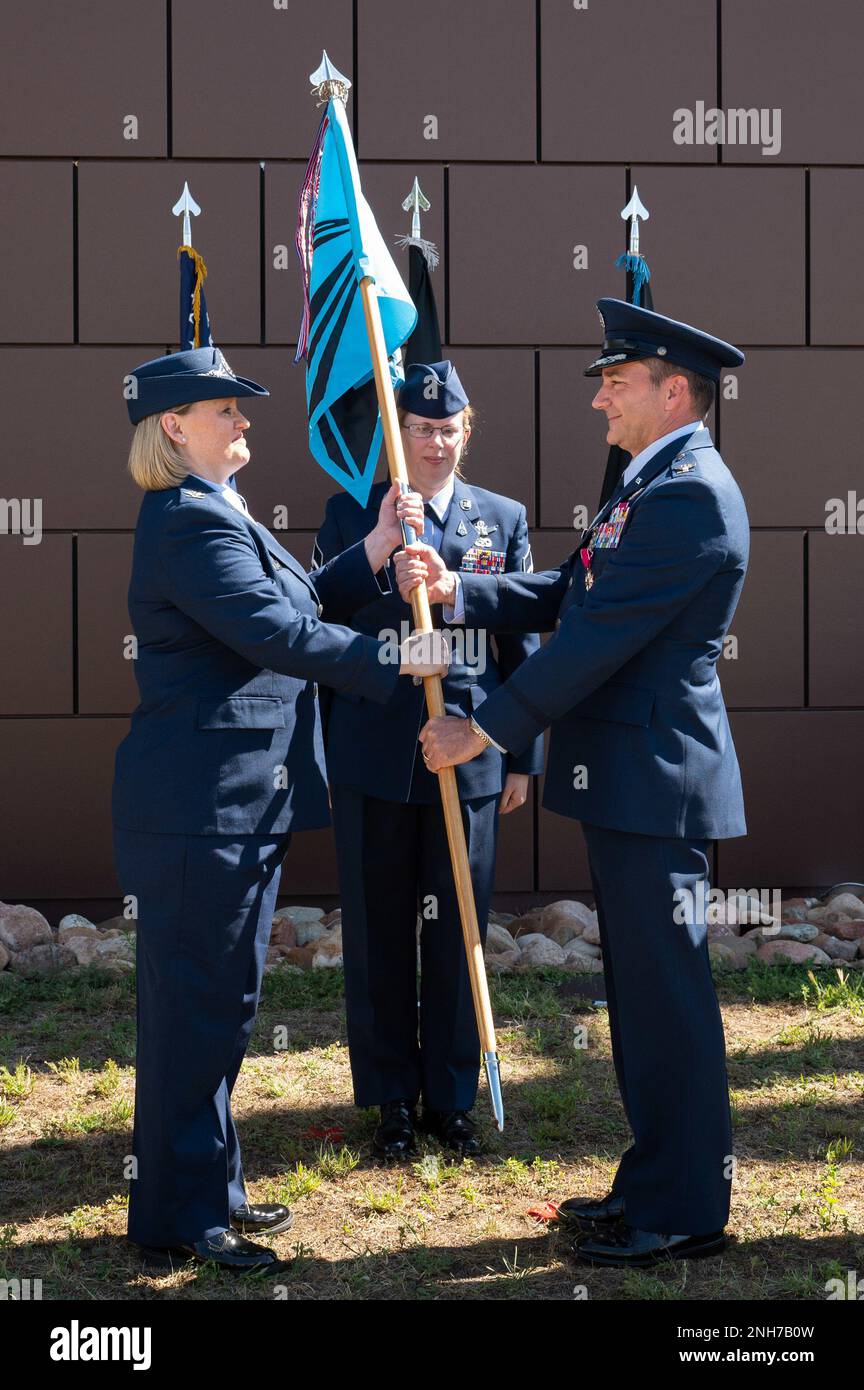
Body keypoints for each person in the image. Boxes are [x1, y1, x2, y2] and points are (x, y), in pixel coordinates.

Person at [396, 302, 749, 1268]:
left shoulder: (689, 497)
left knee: (666, 998)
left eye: (616, 380)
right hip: (631, 780)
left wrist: (486, 727)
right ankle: (655, 1185)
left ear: (673, 392)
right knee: (641, 996)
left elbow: (595, 640)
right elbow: (570, 591)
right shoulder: (654, 482)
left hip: (655, 781)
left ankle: (683, 1210)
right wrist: (462, 587)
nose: (600, 396)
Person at [112, 345, 445, 1274]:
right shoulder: (186, 522)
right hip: (200, 813)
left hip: (233, 809)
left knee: (224, 1004)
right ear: (175, 427)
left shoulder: (214, 511)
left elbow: (291, 599)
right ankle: (180, 1220)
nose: (245, 420)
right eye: (227, 409)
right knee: (195, 1014)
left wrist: (372, 551)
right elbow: (273, 632)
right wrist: (394, 663)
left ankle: (212, 1190)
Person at [313, 360, 543, 1159]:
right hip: (375, 754)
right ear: (396, 434)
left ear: (467, 431)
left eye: (448, 429)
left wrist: (521, 756)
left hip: (470, 756)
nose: (435, 443)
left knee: (459, 933)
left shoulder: (500, 518)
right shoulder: (353, 514)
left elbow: (524, 639)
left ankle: (450, 1098)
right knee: (378, 930)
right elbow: (321, 619)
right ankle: (389, 1103)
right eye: (419, 429)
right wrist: (381, 564)